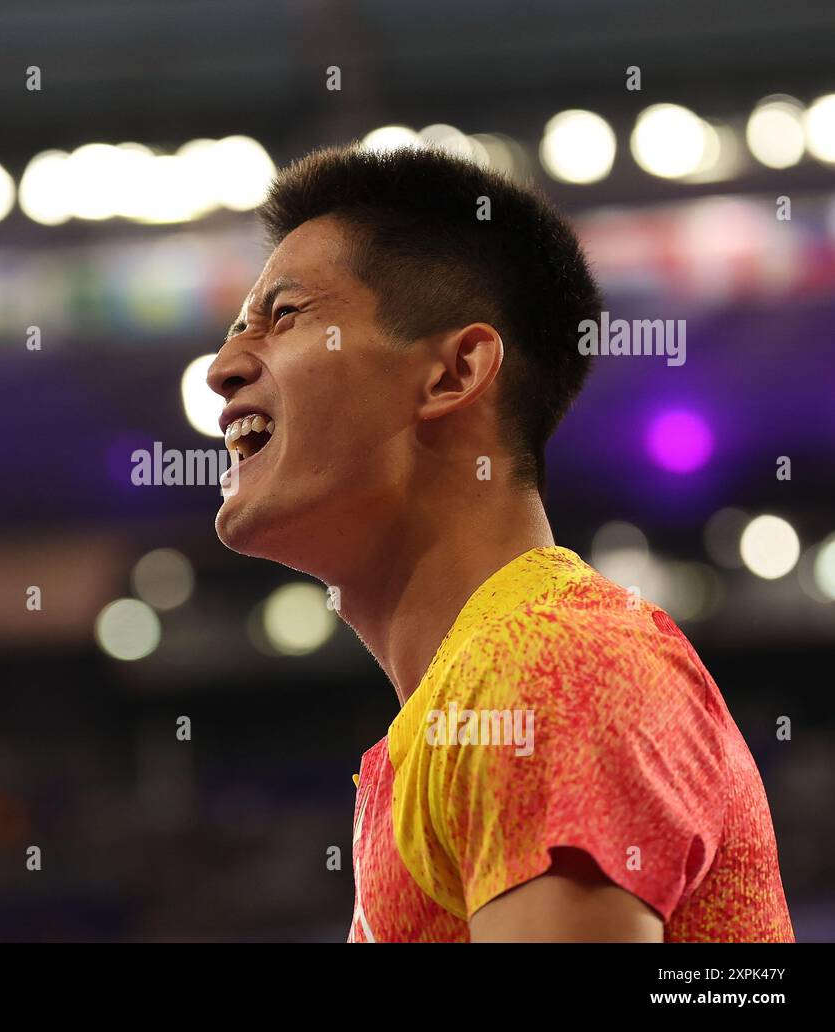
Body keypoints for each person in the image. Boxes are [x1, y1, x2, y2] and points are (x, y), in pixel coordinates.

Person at [207, 143, 793, 942]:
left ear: (454, 374)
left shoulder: (549, 664)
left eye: (285, 316)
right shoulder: (446, 721)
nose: (223, 366)